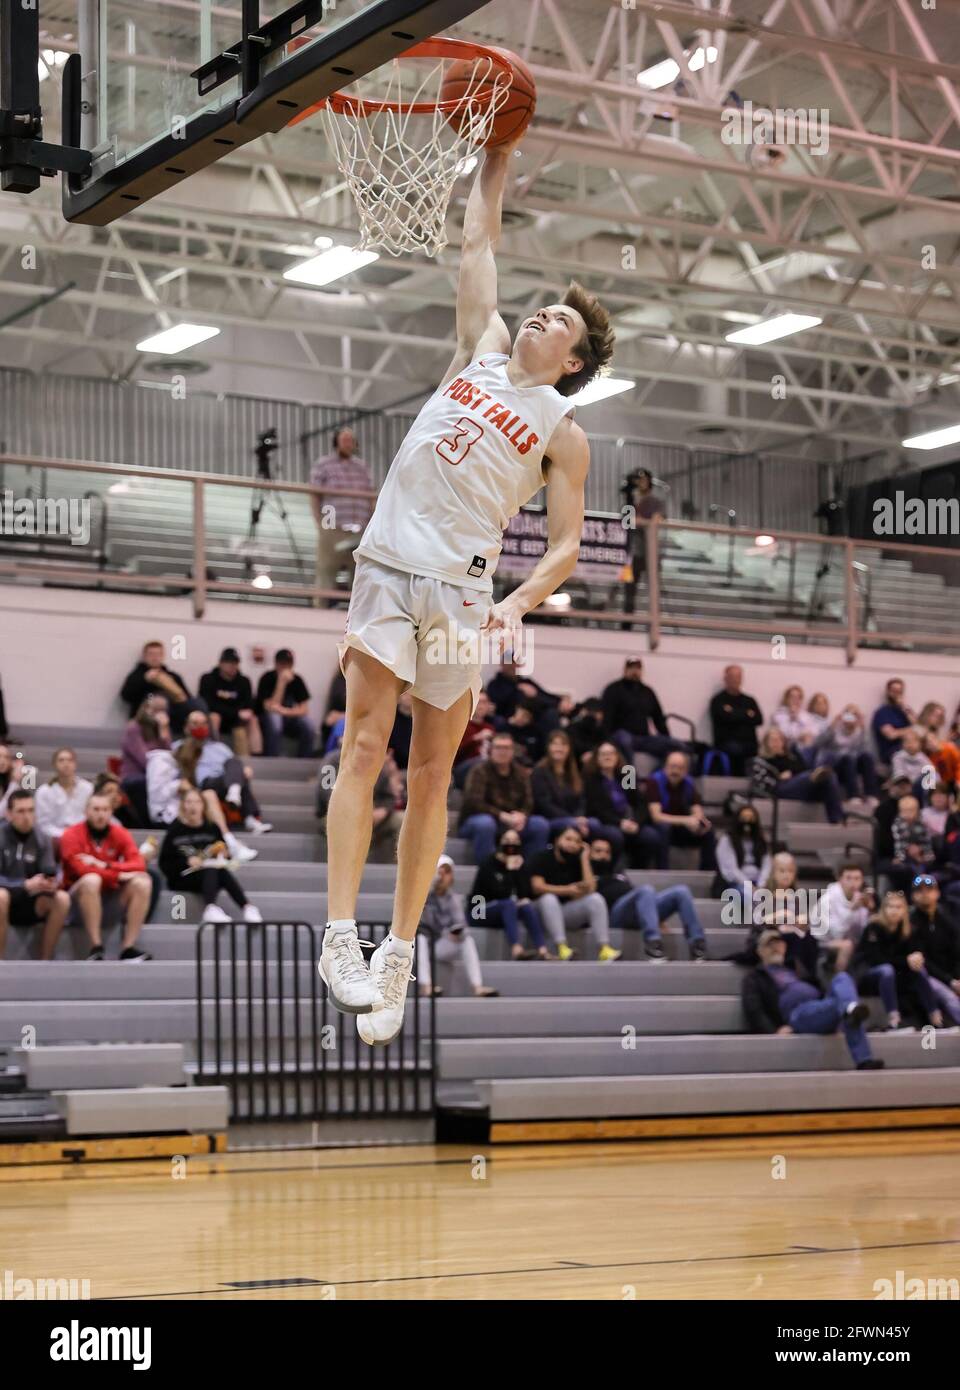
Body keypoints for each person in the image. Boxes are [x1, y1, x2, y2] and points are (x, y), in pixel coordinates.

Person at [316, 142, 614, 1045]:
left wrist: (519, 605)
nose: (540, 313)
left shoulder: (564, 432)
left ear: (572, 360)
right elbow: (477, 243)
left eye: (558, 316)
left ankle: (399, 950)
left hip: (462, 594)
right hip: (388, 566)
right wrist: (500, 153)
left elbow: (567, 548)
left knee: (435, 771)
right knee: (365, 743)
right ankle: (339, 937)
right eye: (542, 305)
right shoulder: (478, 351)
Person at [741, 929, 884, 1069]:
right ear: (760, 951)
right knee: (845, 1006)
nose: (775, 948)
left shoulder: (795, 968)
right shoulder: (755, 977)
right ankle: (860, 1048)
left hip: (818, 1007)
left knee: (842, 977)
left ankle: (849, 1011)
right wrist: (774, 1030)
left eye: (778, 944)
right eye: (769, 945)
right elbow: (754, 1009)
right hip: (797, 1014)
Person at [59, 793, 153, 961]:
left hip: (109, 898)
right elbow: (81, 870)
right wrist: (120, 875)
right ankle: (96, 946)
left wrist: (107, 865)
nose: (101, 814)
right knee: (91, 880)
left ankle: (128, 948)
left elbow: (139, 864)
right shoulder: (71, 835)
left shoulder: (119, 833)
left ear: (111, 812)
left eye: (105, 810)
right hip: (76, 903)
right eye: (96, 809)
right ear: (86, 811)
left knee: (143, 881)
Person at [588, 835, 707, 962]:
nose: (603, 855)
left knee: (681, 891)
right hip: (615, 916)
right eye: (598, 851)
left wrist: (657, 920)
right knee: (646, 889)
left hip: (637, 911)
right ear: (589, 854)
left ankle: (697, 945)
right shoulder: (588, 877)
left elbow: (638, 898)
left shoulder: (619, 875)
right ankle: (653, 944)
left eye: (607, 852)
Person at [158, 787, 262, 925]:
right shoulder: (175, 829)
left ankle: (247, 907)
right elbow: (164, 863)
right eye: (189, 802)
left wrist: (225, 853)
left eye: (197, 802)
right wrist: (186, 861)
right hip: (183, 877)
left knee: (218, 869)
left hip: (209, 876)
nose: (193, 806)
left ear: (203, 805)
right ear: (183, 805)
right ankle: (211, 908)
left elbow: (224, 854)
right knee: (213, 869)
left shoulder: (212, 827)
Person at [528, 825, 620, 962]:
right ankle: (562, 948)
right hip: (538, 912)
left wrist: (584, 858)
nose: (572, 844)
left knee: (595, 899)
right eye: (568, 839)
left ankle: (604, 949)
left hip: (563, 913)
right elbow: (537, 887)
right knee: (549, 899)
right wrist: (567, 890)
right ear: (557, 840)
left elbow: (591, 888)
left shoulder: (577, 861)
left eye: (577, 841)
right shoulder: (542, 857)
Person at [852, 890, 940, 1031]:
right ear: (884, 909)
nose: (894, 911)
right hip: (868, 975)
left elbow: (916, 954)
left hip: (896, 975)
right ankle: (893, 1020)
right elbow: (876, 959)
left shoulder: (908, 930)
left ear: (904, 910)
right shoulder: (873, 927)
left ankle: (935, 1018)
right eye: (890, 906)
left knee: (920, 970)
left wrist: (916, 958)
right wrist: (906, 960)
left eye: (898, 907)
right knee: (887, 970)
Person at [458, 732, 550, 866]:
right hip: (478, 820)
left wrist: (522, 815)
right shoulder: (479, 771)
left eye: (506, 748)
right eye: (498, 748)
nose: (502, 752)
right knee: (485, 824)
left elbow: (529, 801)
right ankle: (489, 872)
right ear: (491, 750)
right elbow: (473, 802)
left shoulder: (520, 773)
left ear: (513, 751)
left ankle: (530, 873)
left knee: (540, 824)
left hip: (511, 821)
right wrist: (502, 815)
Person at [175, 709, 272, 834]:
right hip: (204, 784)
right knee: (237, 779)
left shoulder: (220, 747)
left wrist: (244, 770)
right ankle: (249, 817)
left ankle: (235, 794)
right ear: (187, 726)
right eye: (195, 723)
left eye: (204, 723)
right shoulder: (179, 747)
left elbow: (234, 767)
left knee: (235, 763)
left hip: (225, 782)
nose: (200, 726)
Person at [0, 790, 70, 960]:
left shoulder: (42, 838)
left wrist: (50, 883)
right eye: (21, 811)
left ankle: (44, 961)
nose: (27, 816)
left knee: (62, 899)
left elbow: (49, 871)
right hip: (5, 900)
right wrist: (23, 884)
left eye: (31, 811)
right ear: (9, 814)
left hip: (30, 901)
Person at [417, 856, 499, 998]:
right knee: (420, 939)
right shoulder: (421, 895)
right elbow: (420, 926)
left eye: (447, 873)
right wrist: (427, 891)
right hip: (421, 946)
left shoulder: (454, 898)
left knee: (467, 940)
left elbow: (461, 924)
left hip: (440, 946)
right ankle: (426, 986)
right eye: (439, 872)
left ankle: (477, 987)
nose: (443, 877)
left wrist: (456, 934)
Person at [310, 425, 374, 603]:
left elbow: (371, 496)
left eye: (351, 440)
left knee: (360, 575)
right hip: (332, 527)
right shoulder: (324, 464)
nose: (348, 443)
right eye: (344, 439)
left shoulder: (363, 467)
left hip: (359, 529)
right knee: (326, 572)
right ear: (336, 442)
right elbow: (314, 494)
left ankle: (356, 616)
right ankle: (319, 612)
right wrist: (319, 523)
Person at [470, 828, 550, 959]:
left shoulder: (520, 863)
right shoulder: (488, 863)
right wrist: (510, 870)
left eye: (515, 841)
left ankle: (542, 950)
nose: (511, 844)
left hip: (506, 911)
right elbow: (496, 893)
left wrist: (517, 872)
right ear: (500, 842)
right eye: (507, 840)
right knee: (508, 904)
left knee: (526, 906)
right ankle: (516, 949)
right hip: (479, 911)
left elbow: (525, 893)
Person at [582, 740, 663, 867]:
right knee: (615, 835)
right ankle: (613, 873)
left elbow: (639, 802)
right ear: (597, 758)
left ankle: (638, 870)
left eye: (611, 753)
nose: (608, 757)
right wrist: (620, 823)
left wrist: (637, 823)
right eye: (603, 754)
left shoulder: (626, 774)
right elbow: (596, 809)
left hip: (630, 821)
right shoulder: (592, 778)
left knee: (651, 836)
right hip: (607, 822)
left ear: (617, 756)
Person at [751, 727, 844, 824]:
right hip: (782, 787)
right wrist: (778, 777)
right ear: (766, 743)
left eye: (779, 740)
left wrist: (791, 772)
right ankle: (815, 776)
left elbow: (803, 768)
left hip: (801, 785)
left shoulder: (792, 756)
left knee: (830, 776)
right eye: (773, 740)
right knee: (809, 775)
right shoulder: (762, 761)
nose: (777, 743)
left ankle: (837, 820)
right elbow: (763, 783)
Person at [601, 658, 684, 763]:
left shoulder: (647, 692)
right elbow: (607, 718)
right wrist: (605, 741)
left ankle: (657, 778)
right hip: (621, 735)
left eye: (638, 668)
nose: (635, 671)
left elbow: (658, 718)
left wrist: (666, 738)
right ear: (625, 670)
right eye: (631, 668)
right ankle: (629, 779)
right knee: (624, 741)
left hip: (644, 738)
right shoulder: (613, 689)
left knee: (676, 746)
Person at [645, 750, 717, 870]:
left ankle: (707, 873)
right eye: (672, 767)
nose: (675, 771)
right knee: (664, 828)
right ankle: (663, 871)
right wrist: (686, 820)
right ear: (665, 767)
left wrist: (700, 823)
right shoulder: (654, 781)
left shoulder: (688, 783)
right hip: (658, 827)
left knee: (708, 830)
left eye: (680, 768)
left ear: (685, 770)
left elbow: (697, 812)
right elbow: (656, 817)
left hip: (680, 828)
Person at [120, 640, 203, 734]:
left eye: (158, 654)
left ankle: (209, 740)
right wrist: (144, 680)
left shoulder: (173, 676)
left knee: (199, 703)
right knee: (159, 699)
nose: (155, 658)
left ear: (163, 655)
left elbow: (187, 697)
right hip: (149, 715)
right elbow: (126, 696)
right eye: (151, 654)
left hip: (176, 712)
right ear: (144, 656)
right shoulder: (137, 675)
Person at [908, 874, 960, 1025]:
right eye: (919, 891)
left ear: (937, 893)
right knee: (948, 997)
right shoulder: (911, 922)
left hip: (953, 976)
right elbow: (924, 961)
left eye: (929, 890)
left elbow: (957, 952)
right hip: (929, 977)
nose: (925, 894)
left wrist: (957, 979)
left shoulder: (949, 918)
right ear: (913, 896)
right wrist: (950, 982)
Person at [531, 730, 594, 843]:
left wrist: (579, 816)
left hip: (574, 818)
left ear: (569, 749)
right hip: (550, 819)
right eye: (555, 744)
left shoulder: (574, 772)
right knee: (575, 825)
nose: (559, 748)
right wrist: (572, 819)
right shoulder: (539, 772)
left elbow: (581, 800)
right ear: (548, 747)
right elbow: (544, 804)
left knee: (595, 824)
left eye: (563, 745)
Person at [620, 468, 664, 626]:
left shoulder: (655, 501)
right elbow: (627, 522)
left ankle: (653, 625)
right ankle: (627, 623)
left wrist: (640, 520)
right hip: (633, 552)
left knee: (653, 590)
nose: (641, 483)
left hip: (650, 551)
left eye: (644, 480)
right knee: (629, 590)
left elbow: (656, 520)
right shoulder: (630, 502)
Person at [813, 704, 879, 807]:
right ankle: (853, 796)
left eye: (854, 715)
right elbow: (817, 743)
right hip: (836, 765)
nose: (851, 718)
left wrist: (863, 728)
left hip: (853, 766)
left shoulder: (859, 732)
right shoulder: (835, 729)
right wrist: (832, 726)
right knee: (848, 758)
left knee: (867, 757)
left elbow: (866, 751)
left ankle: (871, 795)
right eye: (848, 714)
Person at [120, 696, 172, 826]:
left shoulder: (161, 729)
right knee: (142, 784)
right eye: (155, 710)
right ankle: (149, 824)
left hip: (158, 776)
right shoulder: (133, 728)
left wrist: (163, 732)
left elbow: (170, 757)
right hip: (136, 776)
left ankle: (166, 821)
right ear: (146, 708)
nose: (159, 714)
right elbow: (145, 760)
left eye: (162, 711)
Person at [256, 649, 315, 757]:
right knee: (275, 721)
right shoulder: (267, 678)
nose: (285, 667)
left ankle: (304, 759)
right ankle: (272, 758)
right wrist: (281, 683)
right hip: (268, 718)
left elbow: (304, 709)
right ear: (276, 664)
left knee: (309, 725)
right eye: (282, 664)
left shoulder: (297, 680)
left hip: (290, 716)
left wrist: (286, 711)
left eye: (289, 664)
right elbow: (270, 706)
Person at [198, 649, 257, 756]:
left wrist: (239, 714)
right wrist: (235, 712)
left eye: (235, 663)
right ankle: (213, 754)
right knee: (214, 717)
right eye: (229, 662)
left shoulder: (244, 681)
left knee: (252, 720)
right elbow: (208, 704)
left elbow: (248, 705)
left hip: (236, 720)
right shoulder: (208, 679)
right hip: (217, 716)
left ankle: (256, 758)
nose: (232, 666)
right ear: (221, 663)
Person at [819, 861, 874, 971]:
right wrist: (852, 910)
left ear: (862, 881)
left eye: (857, 878)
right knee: (847, 945)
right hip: (825, 943)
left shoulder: (861, 899)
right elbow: (837, 934)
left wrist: (871, 911)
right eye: (848, 878)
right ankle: (839, 980)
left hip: (854, 944)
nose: (853, 883)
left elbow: (862, 934)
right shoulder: (827, 899)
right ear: (840, 880)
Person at [709, 666, 763, 775]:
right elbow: (723, 718)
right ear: (725, 678)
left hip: (750, 743)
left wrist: (733, 713)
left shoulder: (749, 700)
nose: (735, 680)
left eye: (738, 677)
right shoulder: (718, 700)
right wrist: (746, 714)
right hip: (726, 742)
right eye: (732, 676)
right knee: (736, 750)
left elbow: (759, 719)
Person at [714, 803, 771, 905]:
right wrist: (750, 887)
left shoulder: (761, 841)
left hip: (758, 884)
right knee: (748, 896)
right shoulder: (727, 840)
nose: (747, 822)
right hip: (734, 884)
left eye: (751, 818)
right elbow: (731, 870)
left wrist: (761, 885)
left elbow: (766, 865)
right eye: (744, 818)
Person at [34, 748, 95, 844]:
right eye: (61, 760)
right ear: (54, 765)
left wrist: (77, 834)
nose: (66, 764)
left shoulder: (88, 788)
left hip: (83, 836)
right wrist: (65, 835)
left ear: (75, 764)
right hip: (55, 839)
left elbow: (91, 817)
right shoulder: (44, 791)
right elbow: (43, 824)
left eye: (70, 760)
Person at [889, 795, 937, 894]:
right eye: (905, 811)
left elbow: (926, 841)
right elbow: (899, 842)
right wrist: (901, 856)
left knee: (925, 866)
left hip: (922, 854)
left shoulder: (922, 823)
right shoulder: (898, 824)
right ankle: (917, 890)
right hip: (905, 855)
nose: (908, 814)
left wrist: (923, 853)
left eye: (911, 811)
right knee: (907, 868)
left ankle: (924, 888)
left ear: (917, 811)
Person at [871, 678, 915, 767]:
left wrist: (904, 707)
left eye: (900, 691)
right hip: (891, 752)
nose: (896, 694)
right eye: (894, 691)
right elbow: (891, 735)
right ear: (888, 692)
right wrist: (912, 730)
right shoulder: (882, 712)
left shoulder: (906, 711)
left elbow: (919, 727)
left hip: (911, 748)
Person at [771, 684, 817, 761]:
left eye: (798, 697)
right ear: (786, 699)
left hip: (803, 750)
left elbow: (813, 734)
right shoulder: (779, 715)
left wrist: (797, 718)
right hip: (785, 749)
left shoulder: (807, 716)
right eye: (792, 697)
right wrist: (791, 718)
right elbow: (783, 734)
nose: (795, 700)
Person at [0, 741, 23, 820]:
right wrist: (15, 783)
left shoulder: (7, 782)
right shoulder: (13, 784)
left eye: (6, 757)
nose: (2, 761)